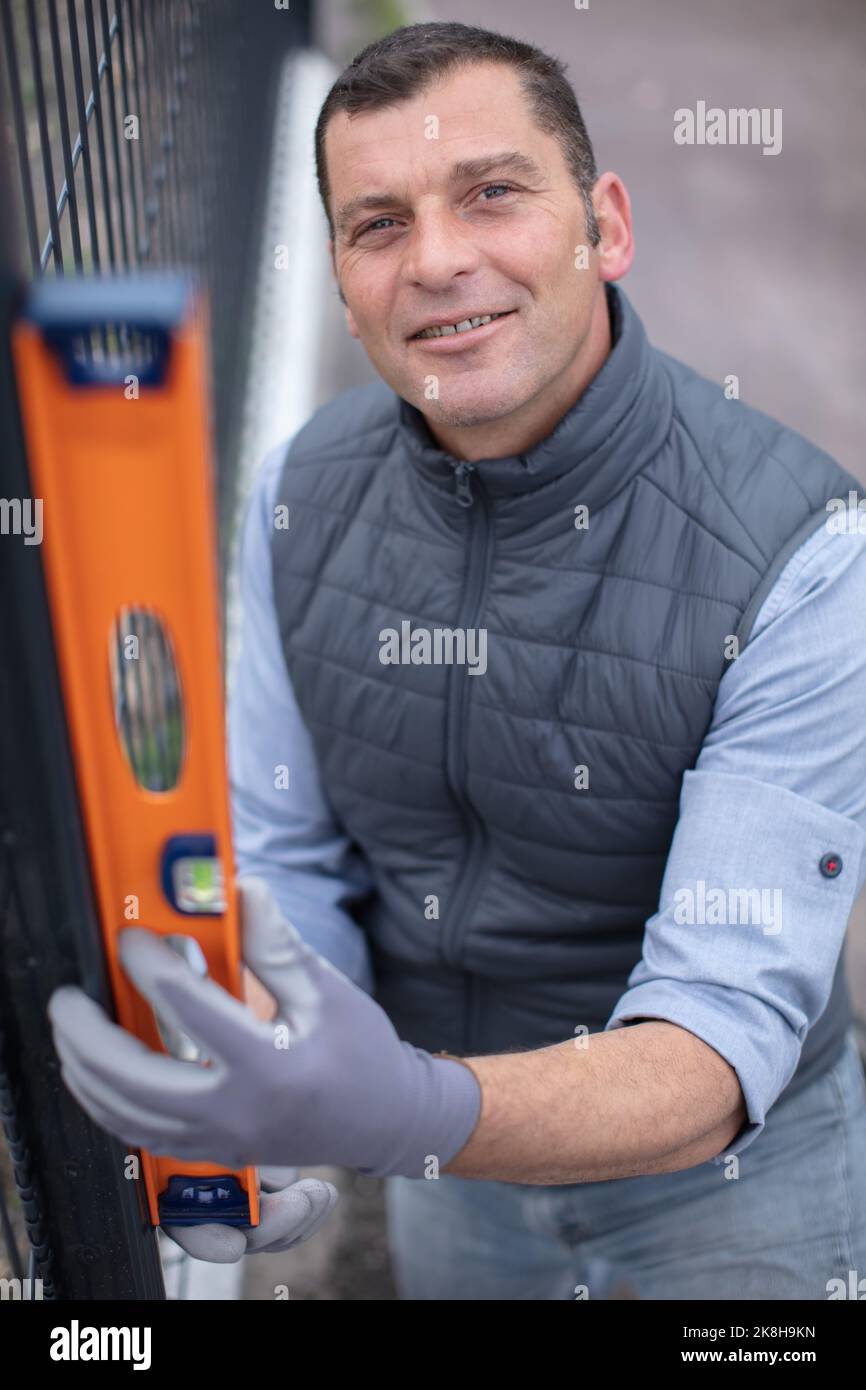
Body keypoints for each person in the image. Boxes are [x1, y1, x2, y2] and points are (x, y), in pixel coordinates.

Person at [49, 21, 866, 1299]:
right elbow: (286, 854)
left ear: (605, 224)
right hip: (456, 1182)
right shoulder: (297, 495)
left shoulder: (806, 551)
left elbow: (716, 1046)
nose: (436, 259)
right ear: (338, 275)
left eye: (491, 192)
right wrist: (267, 1074)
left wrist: (409, 1109)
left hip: (732, 1193)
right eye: (376, 224)